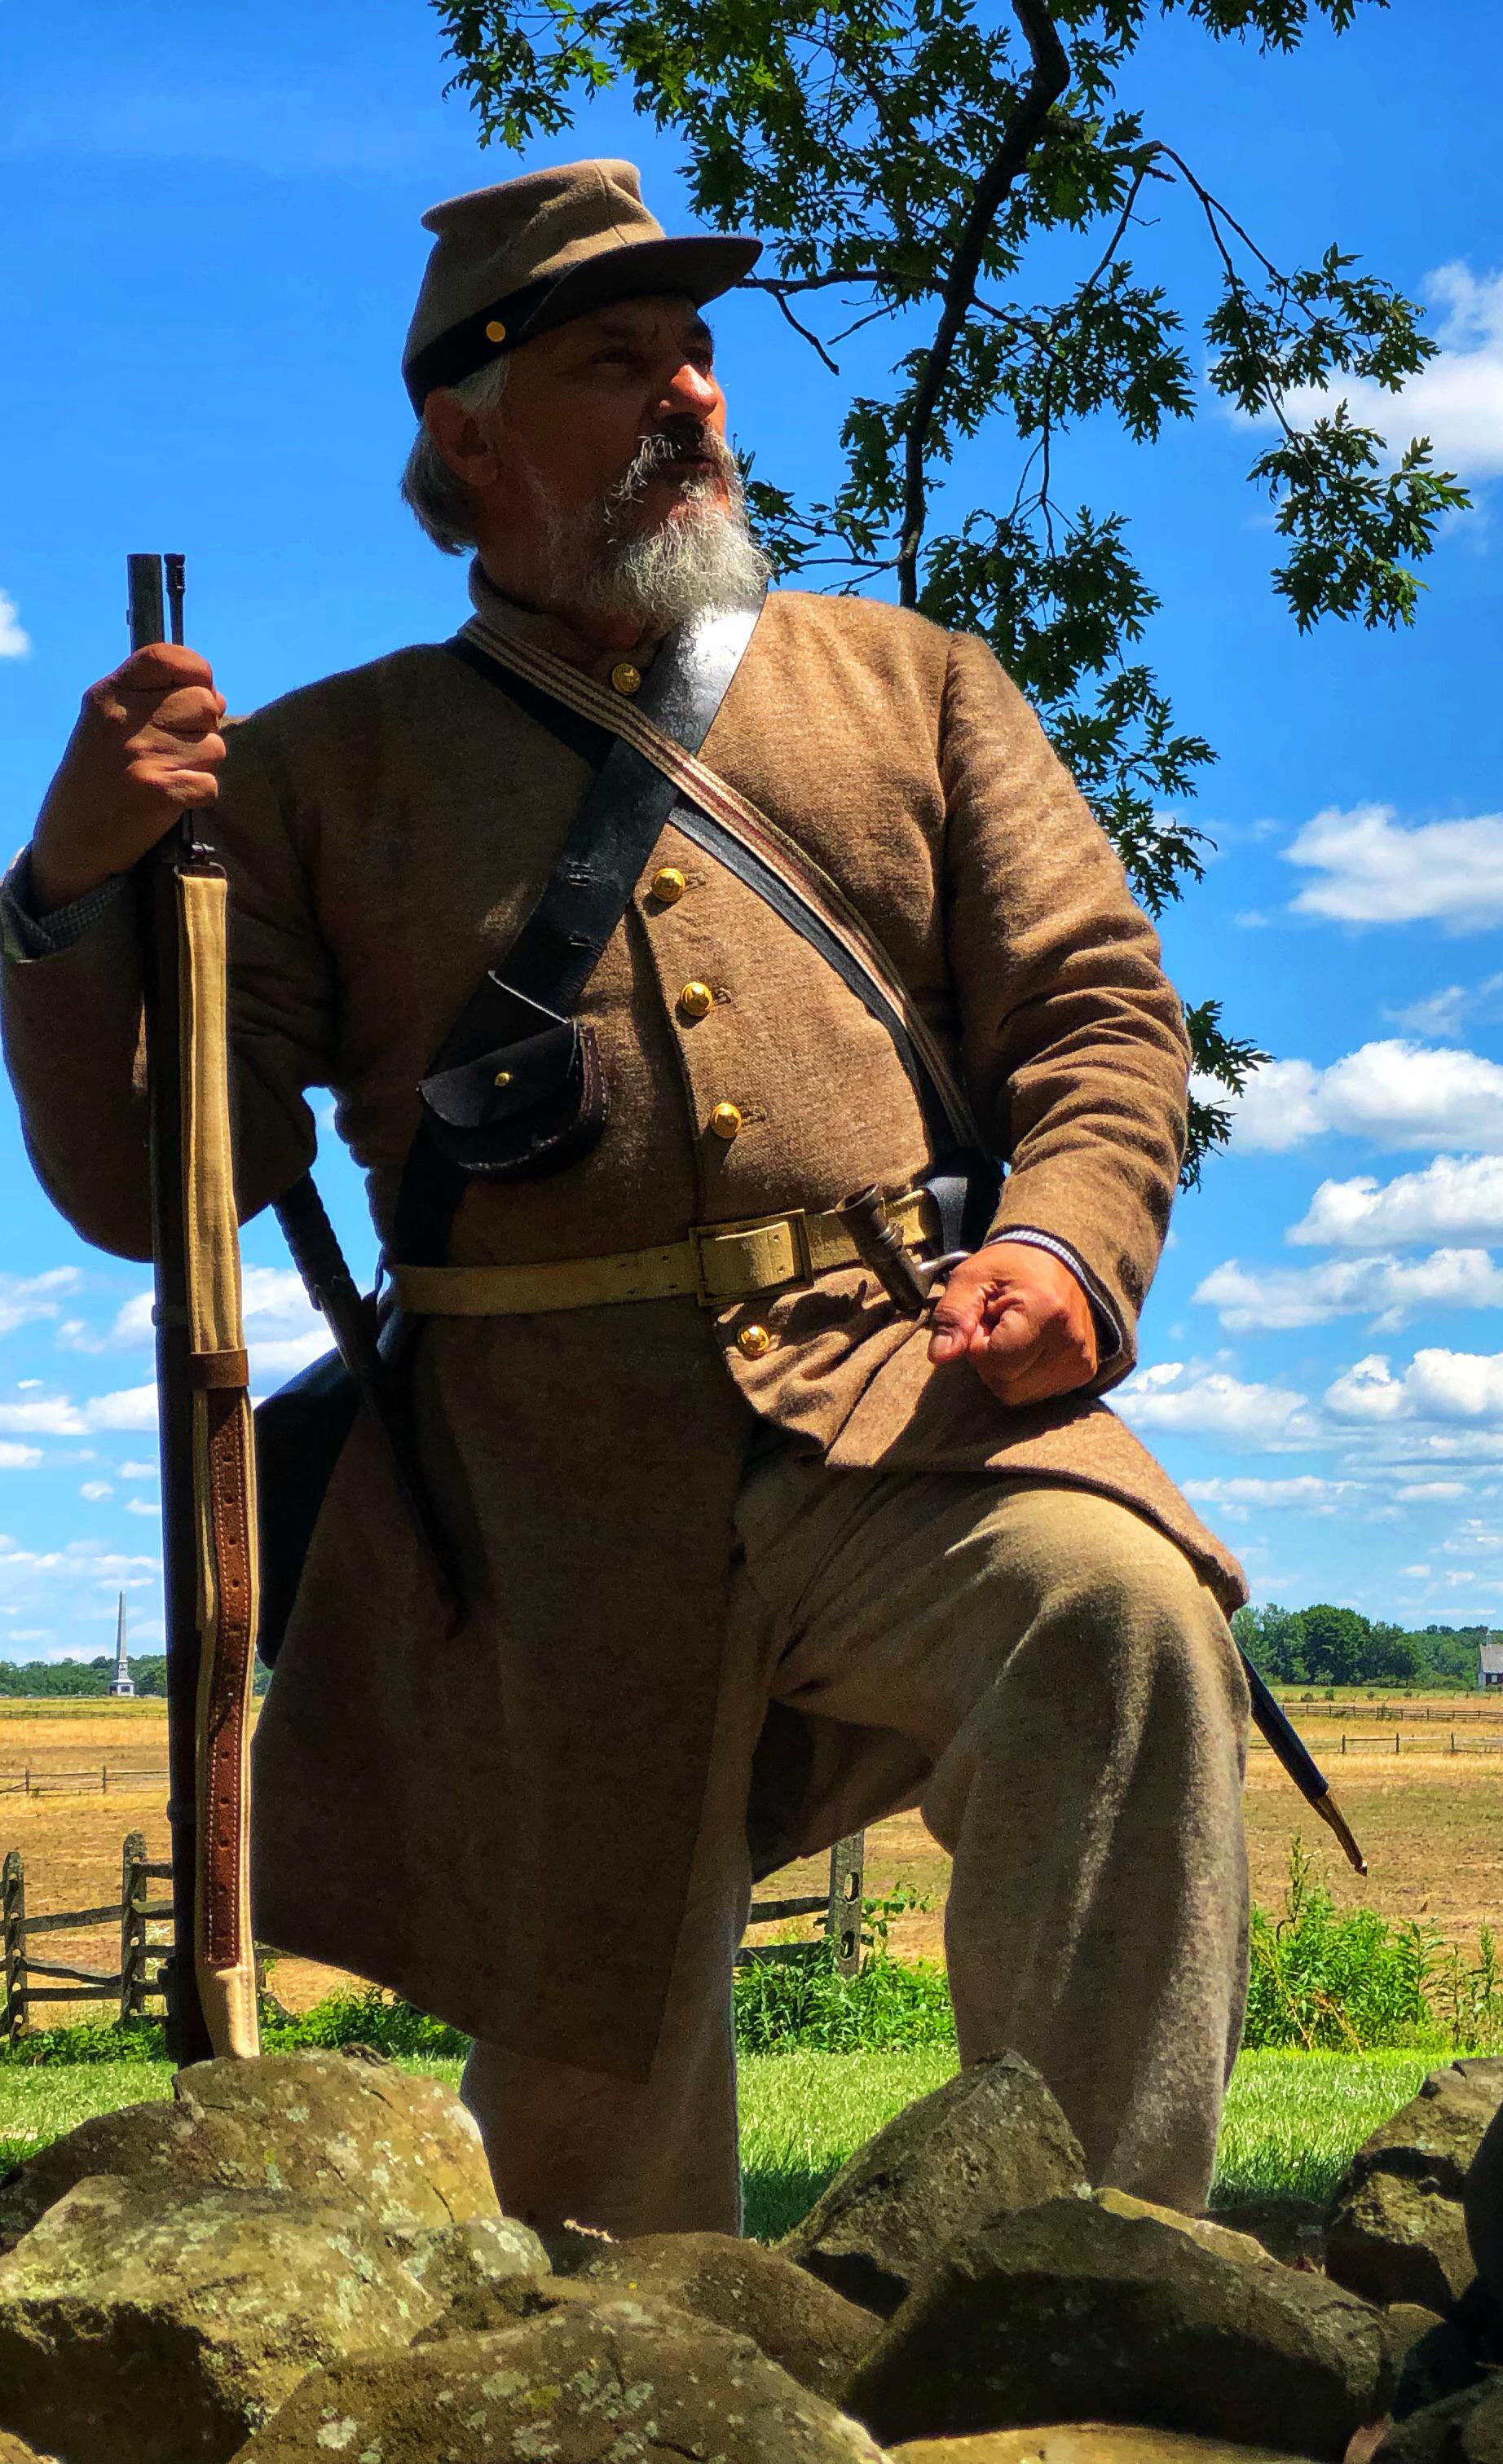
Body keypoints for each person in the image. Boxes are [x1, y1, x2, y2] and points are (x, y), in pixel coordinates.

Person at [2, 161, 1252, 2236]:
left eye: (698, 355)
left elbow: (1102, 1018)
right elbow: (163, 1193)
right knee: (603, 2181)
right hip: (534, 1497)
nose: (692, 397)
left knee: (1117, 1620)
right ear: (469, 440)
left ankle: (1107, 2290)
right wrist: (66, 895)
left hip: (890, 1402)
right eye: (620, 363)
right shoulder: (323, 774)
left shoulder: (915, 684)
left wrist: (1058, 1242)